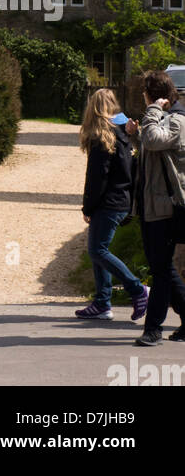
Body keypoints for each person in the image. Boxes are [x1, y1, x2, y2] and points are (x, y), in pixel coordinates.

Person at [75, 88, 150, 321]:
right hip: (121, 201)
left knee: (98, 250)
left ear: (93, 108)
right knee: (98, 250)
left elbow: (96, 179)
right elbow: (130, 171)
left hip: (107, 203)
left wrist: (87, 207)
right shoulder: (123, 134)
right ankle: (102, 302)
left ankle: (137, 289)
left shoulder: (101, 138)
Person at [129, 70, 185, 347]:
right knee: (161, 267)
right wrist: (135, 134)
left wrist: (151, 111)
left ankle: (153, 329)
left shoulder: (177, 120)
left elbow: (155, 140)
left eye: (145, 95)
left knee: (161, 270)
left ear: (152, 94)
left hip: (166, 207)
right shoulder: (164, 118)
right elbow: (152, 147)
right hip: (151, 205)